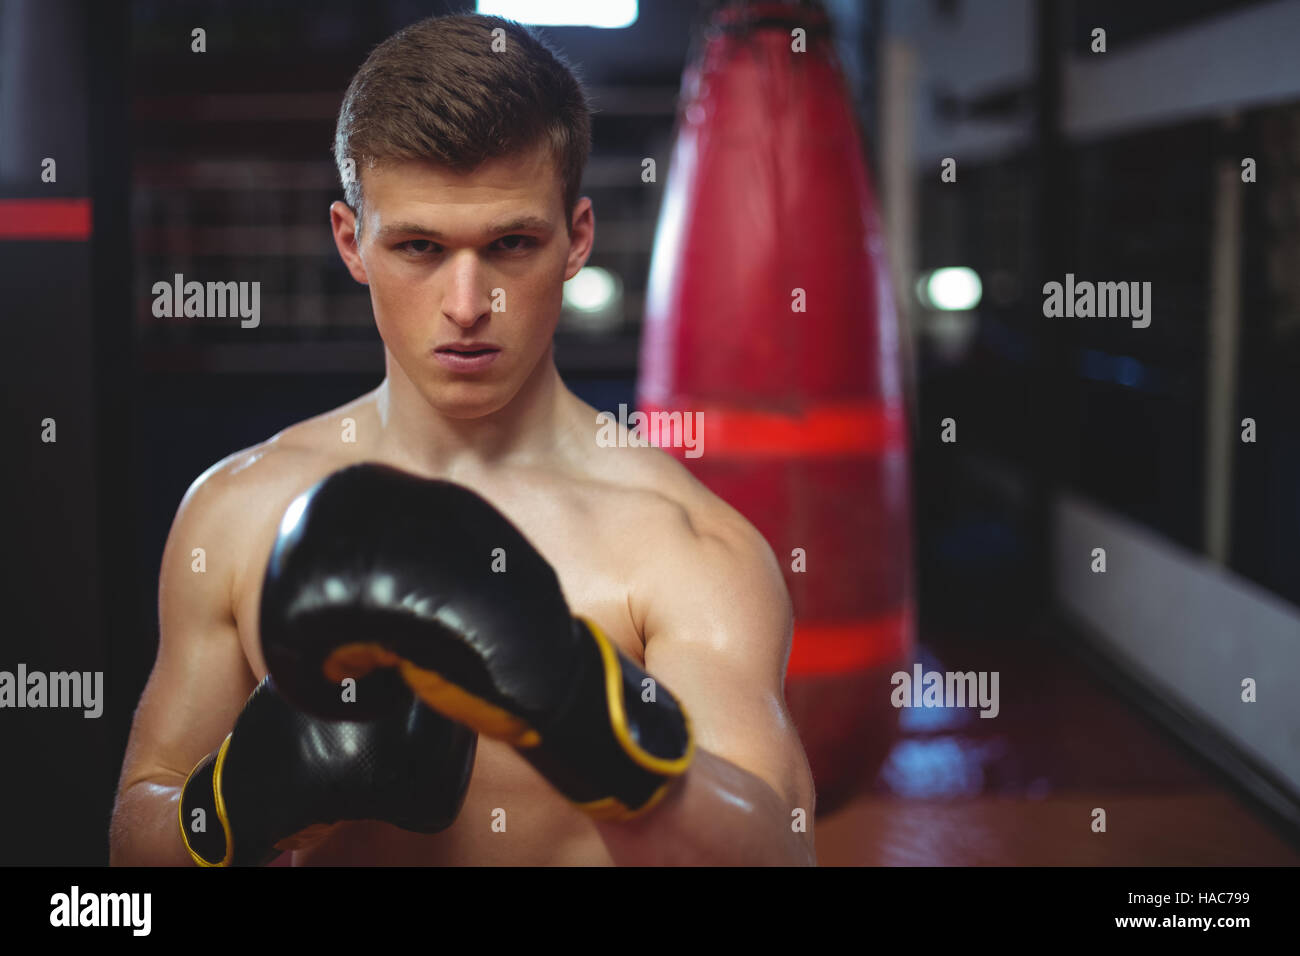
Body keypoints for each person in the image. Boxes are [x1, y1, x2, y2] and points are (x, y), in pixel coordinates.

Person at [109, 12, 815, 866]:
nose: (469, 303)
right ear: (351, 242)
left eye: (511, 243)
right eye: (419, 247)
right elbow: (131, 843)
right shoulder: (234, 510)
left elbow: (781, 850)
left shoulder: (682, 545)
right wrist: (233, 802)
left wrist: (581, 706)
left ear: (576, 240)